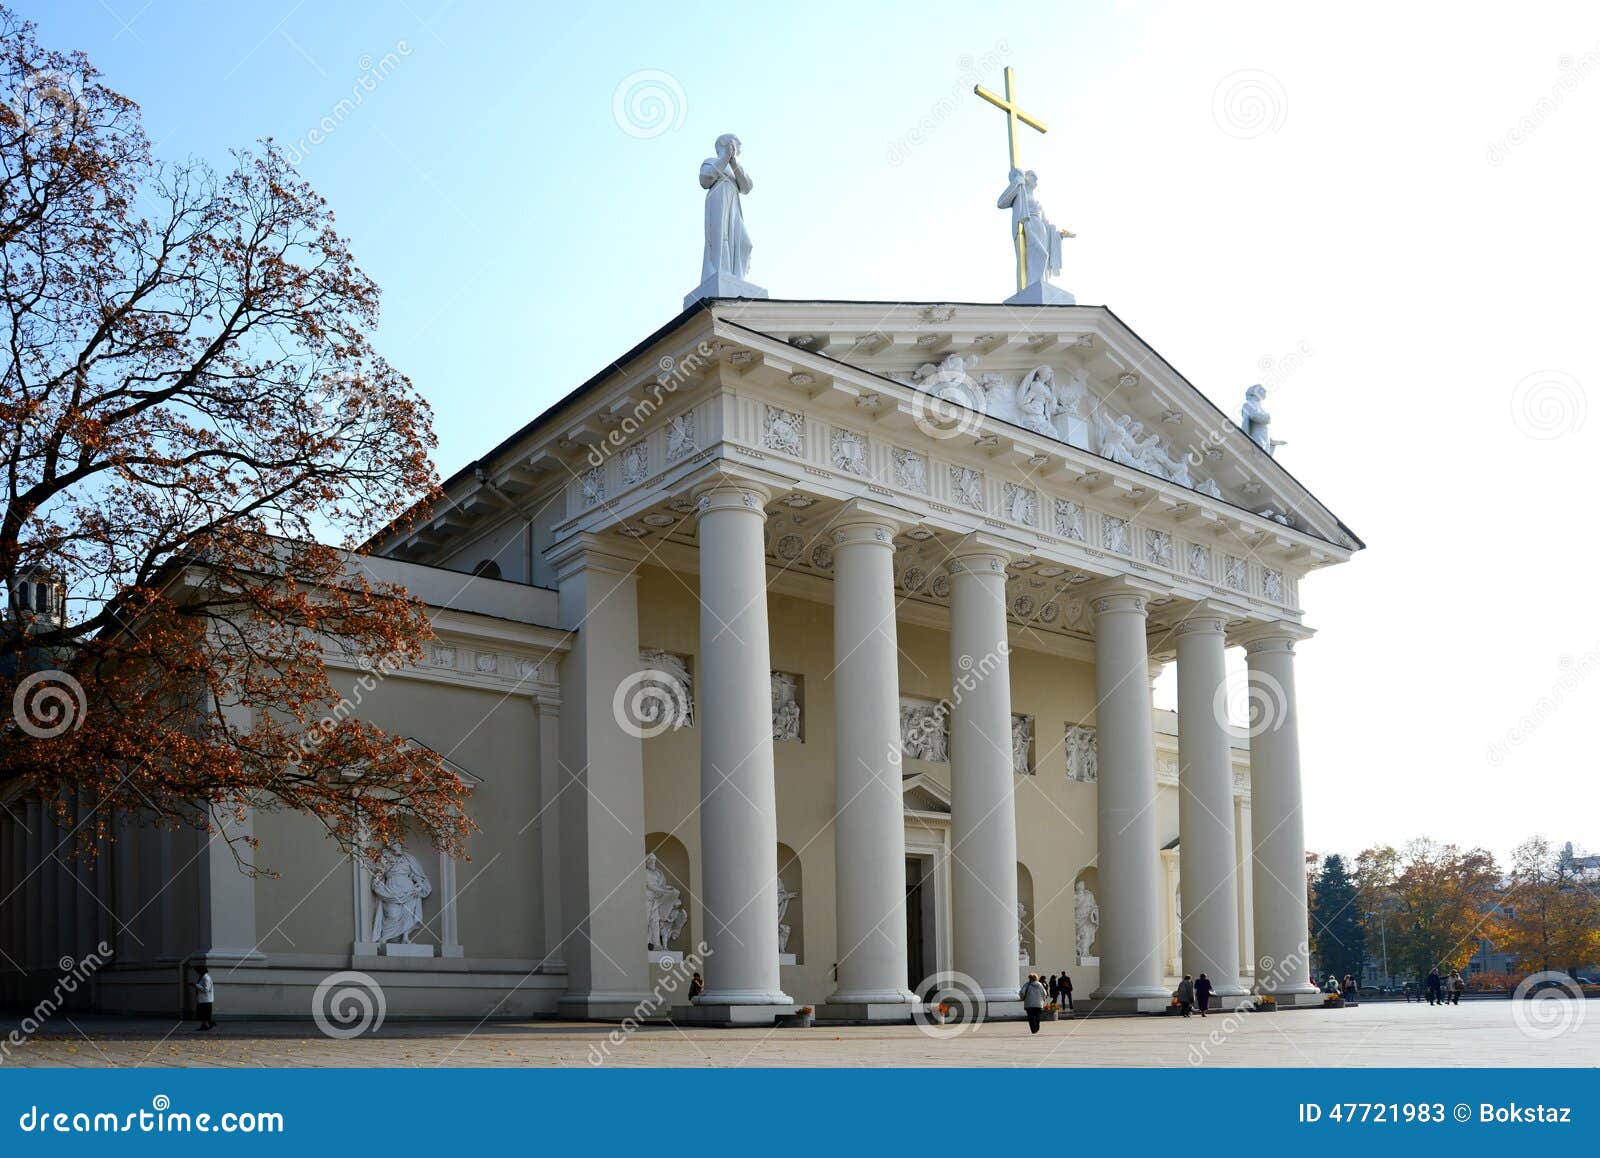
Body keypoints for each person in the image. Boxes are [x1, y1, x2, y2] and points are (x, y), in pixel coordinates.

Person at [191, 964, 215, 1031]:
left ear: (201, 971)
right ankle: (206, 1025)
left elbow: (206, 989)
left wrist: (196, 985)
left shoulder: (206, 978)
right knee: (202, 1014)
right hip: (203, 999)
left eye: (197, 971)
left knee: (204, 1014)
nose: (197, 973)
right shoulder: (203, 977)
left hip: (206, 999)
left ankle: (207, 1025)